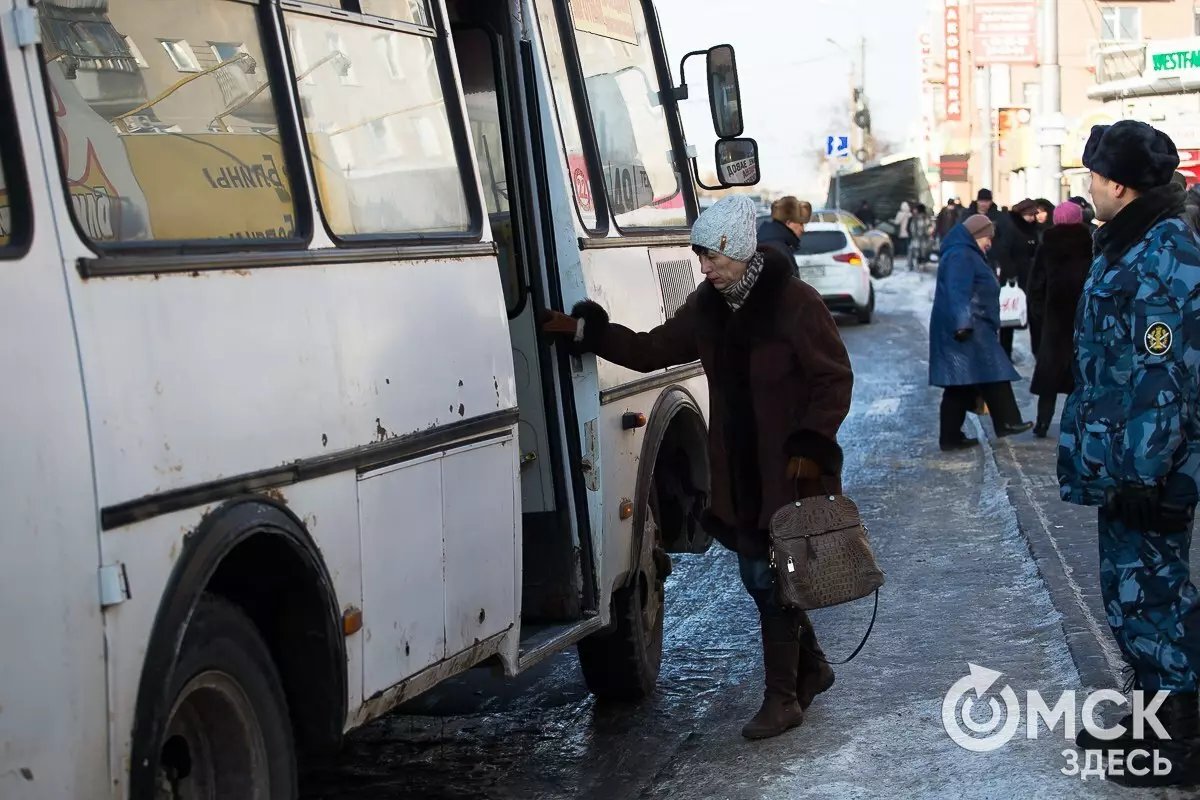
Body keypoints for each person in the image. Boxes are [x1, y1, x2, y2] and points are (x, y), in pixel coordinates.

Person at [540, 195, 853, 740]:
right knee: (761, 578)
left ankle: (782, 698)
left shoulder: (794, 302)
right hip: (740, 471)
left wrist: (811, 444)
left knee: (772, 576)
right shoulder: (708, 307)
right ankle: (813, 666)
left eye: (710, 256)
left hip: (790, 468)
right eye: (700, 256)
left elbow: (834, 379)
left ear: (736, 247)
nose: (703, 267)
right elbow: (651, 350)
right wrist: (587, 333)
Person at [1059, 119, 1200, 787]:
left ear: (1117, 183)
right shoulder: (1129, 241)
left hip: (1153, 467)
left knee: (1156, 599)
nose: (1087, 188)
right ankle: (1151, 716)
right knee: (1128, 595)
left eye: (1092, 176)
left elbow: (1162, 373)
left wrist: (1148, 471)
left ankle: (1179, 738)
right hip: (1127, 463)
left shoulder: (1162, 251)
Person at [929, 214, 1034, 450]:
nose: (990, 243)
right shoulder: (961, 255)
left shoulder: (964, 253)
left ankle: (952, 437)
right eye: (988, 238)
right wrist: (963, 323)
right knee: (988, 373)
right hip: (967, 328)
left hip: (971, 326)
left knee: (963, 383)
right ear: (976, 235)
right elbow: (958, 291)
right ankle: (1005, 422)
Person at [1026, 201, 1091, 438]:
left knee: (1050, 377)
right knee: (1082, 375)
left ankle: (1042, 423)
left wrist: (1040, 315)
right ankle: (1080, 424)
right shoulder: (1090, 244)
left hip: (1054, 321)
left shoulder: (1047, 245)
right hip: (1083, 318)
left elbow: (1035, 285)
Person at [990, 198, 1041, 359]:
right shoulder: (1011, 228)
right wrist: (1011, 273)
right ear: (1021, 214)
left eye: (1034, 215)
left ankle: (1038, 352)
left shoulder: (1034, 229)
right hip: (1014, 278)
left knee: (1035, 317)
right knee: (1010, 317)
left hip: (1032, 277)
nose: (1032, 218)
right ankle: (1005, 352)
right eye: (1029, 215)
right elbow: (1003, 252)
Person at [757, 196, 811, 265]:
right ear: (788, 223)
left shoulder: (774, 243)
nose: (802, 229)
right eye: (800, 223)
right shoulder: (776, 250)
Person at [908, 203, 933, 267]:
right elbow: (930, 227)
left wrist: (913, 235)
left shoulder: (915, 218)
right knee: (923, 252)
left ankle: (916, 264)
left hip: (917, 238)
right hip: (924, 238)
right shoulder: (926, 218)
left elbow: (912, 228)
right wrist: (928, 233)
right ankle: (922, 263)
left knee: (916, 251)